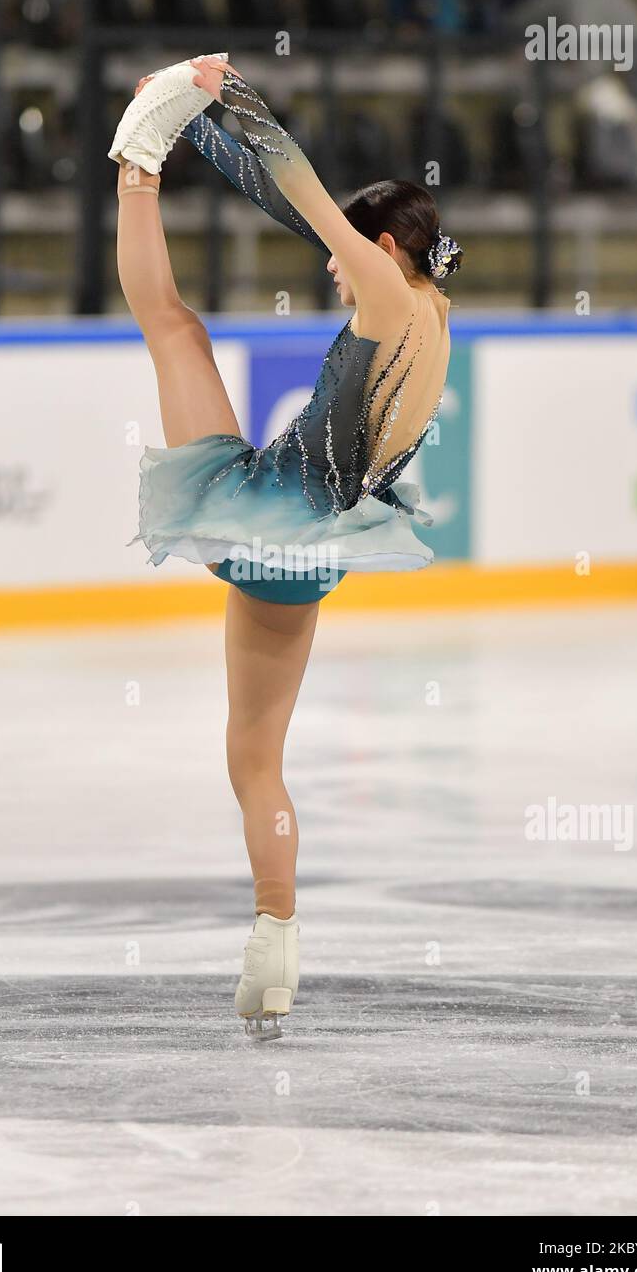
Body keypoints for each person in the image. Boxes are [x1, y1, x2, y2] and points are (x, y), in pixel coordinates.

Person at [109, 54, 460, 1038]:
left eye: (348, 251)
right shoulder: (432, 317)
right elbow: (301, 213)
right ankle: (273, 935)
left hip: (261, 510)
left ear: (383, 244)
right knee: (258, 753)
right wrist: (198, 125)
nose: (330, 266)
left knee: (174, 331)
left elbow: (300, 193)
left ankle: (130, 170)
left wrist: (209, 101)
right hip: (311, 556)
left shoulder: (383, 300)